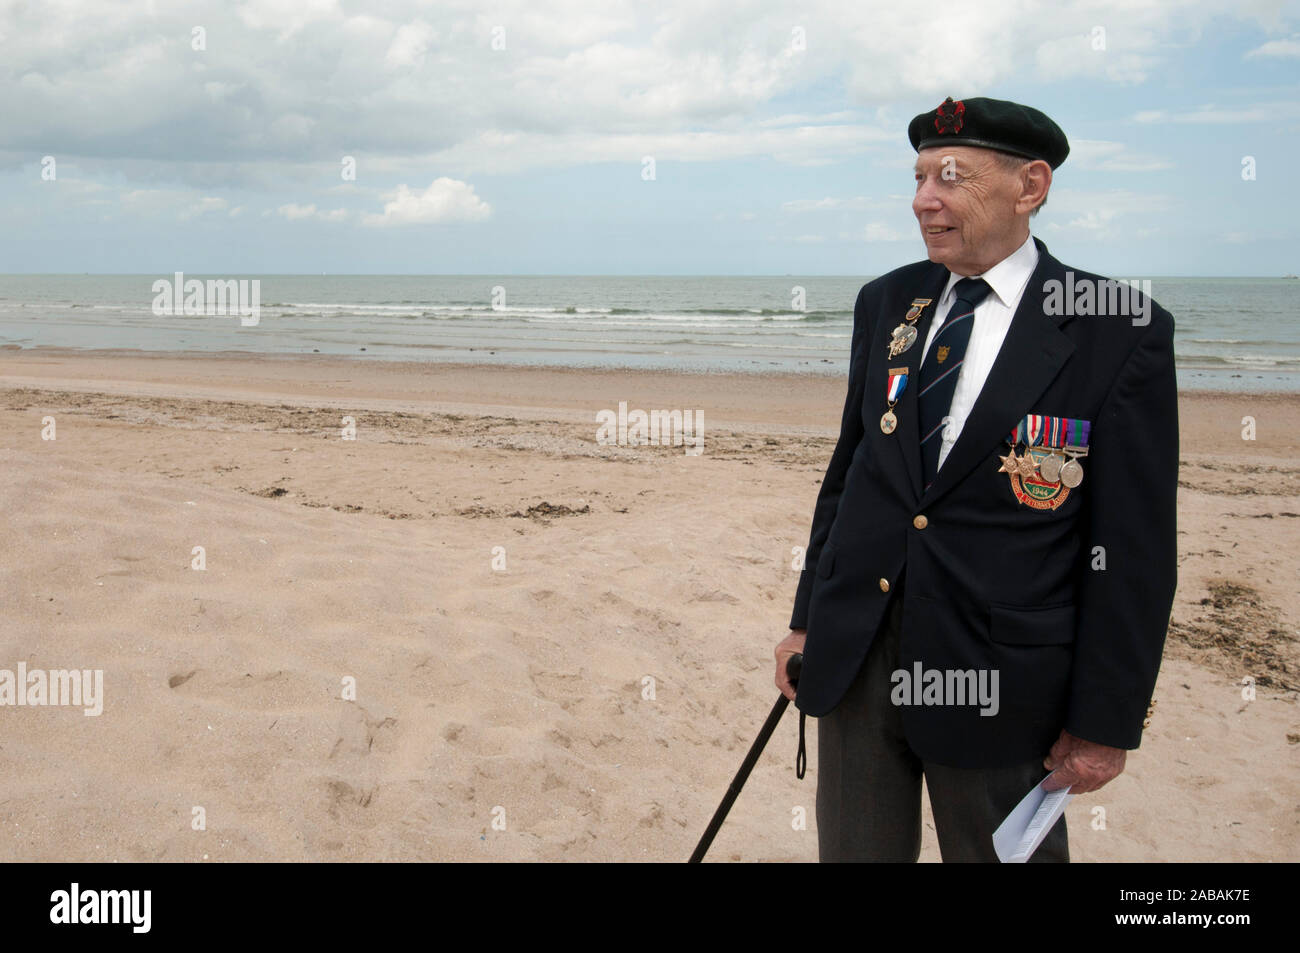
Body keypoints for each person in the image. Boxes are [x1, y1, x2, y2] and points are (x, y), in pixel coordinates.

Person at [774, 96, 1178, 862]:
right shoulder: (888, 300)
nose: (924, 198)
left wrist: (1104, 721)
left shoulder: (1115, 328)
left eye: (951, 176)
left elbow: (1134, 550)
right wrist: (808, 618)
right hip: (859, 653)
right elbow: (852, 474)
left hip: (1001, 680)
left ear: (1030, 187)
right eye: (921, 176)